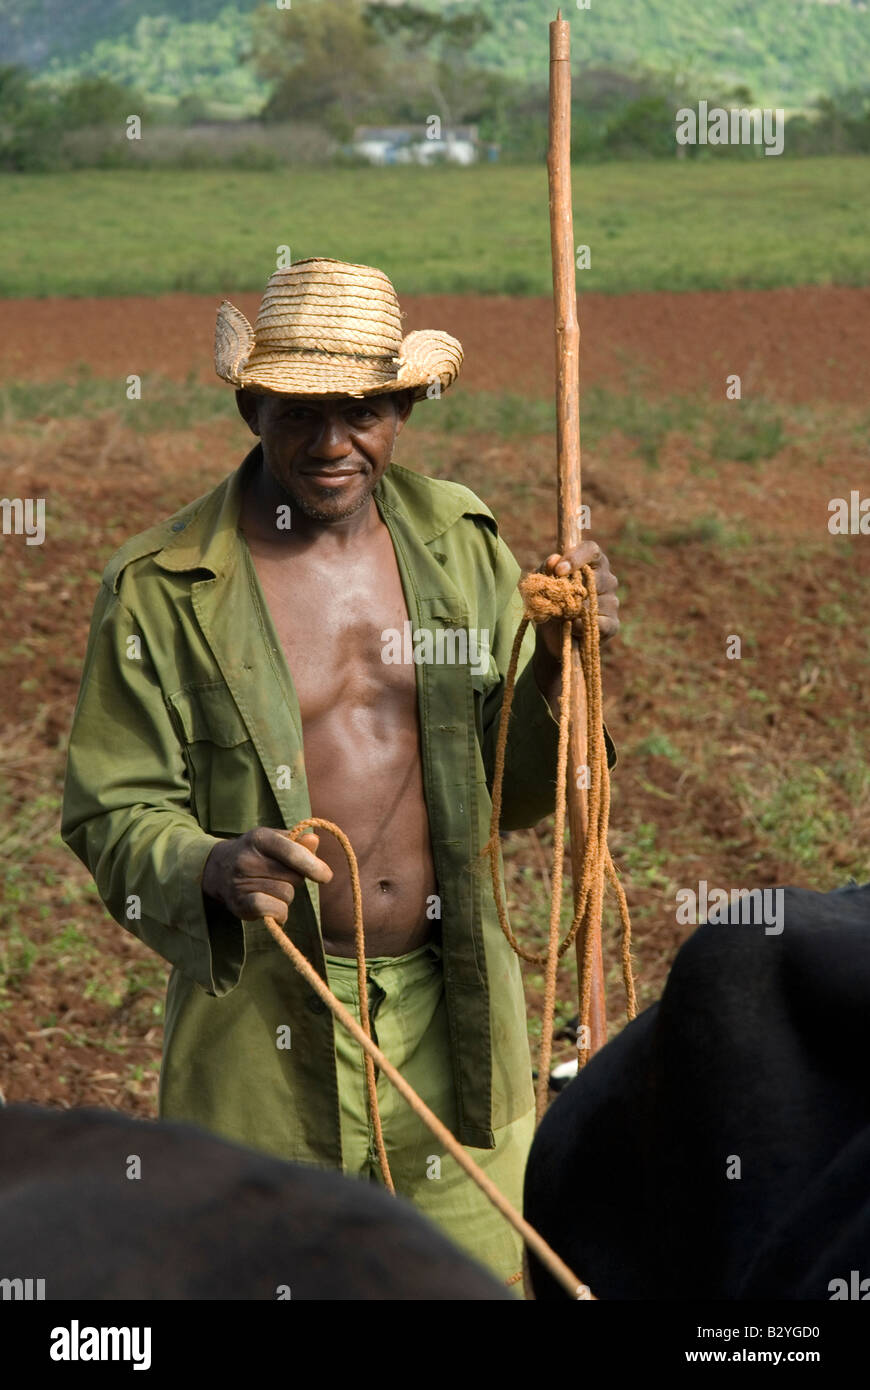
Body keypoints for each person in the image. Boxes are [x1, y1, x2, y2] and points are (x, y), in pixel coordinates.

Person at [61, 257, 620, 1287]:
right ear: (252, 406)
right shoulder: (163, 587)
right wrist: (211, 863)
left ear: (402, 404)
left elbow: (523, 786)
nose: (331, 443)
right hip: (267, 1026)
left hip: (458, 1020)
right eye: (299, 412)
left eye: (361, 410)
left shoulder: (463, 544)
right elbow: (111, 805)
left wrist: (566, 668)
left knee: (475, 1279)